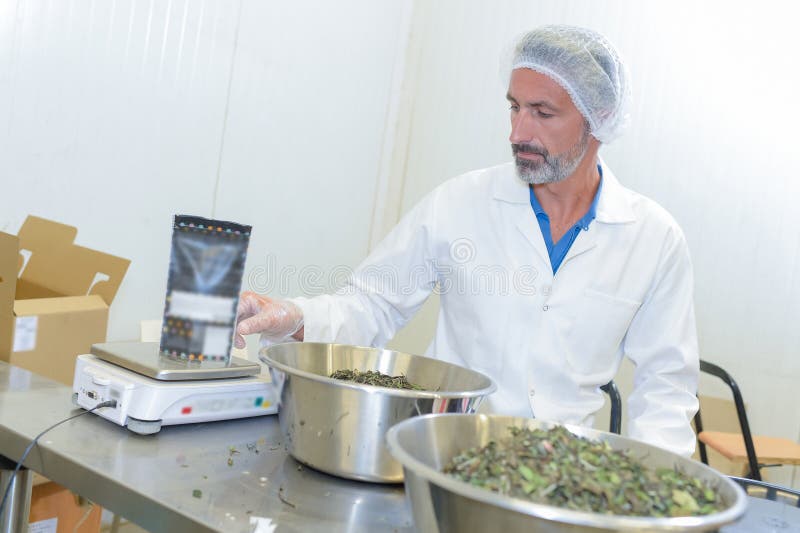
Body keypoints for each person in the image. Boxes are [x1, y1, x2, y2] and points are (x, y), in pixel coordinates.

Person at [235, 25, 700, 457]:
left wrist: (663, 506)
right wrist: (292, 317)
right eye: (515, 107)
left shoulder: (652, 240)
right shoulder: (461, 203)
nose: (519, 133)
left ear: (599, 116)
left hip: (561, 472)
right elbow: (371, 305)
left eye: (543, 112)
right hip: (448, 456)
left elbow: (666, 386)